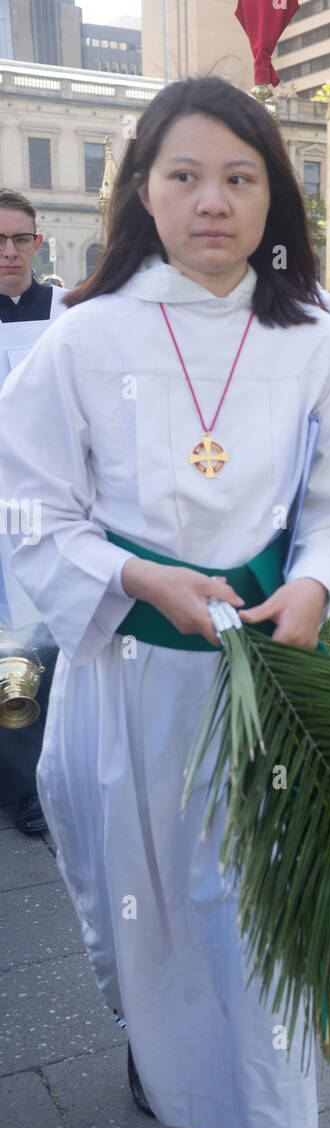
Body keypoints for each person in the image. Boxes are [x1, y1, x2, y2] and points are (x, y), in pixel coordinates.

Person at [0, 76, 330, 1128]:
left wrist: (315, 581)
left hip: (257, 686)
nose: (212, 200)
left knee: (252, 936)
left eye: (240, 176)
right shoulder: (84, 336)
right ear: (141, 190)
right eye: (183, 175)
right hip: (122, 686)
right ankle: (162, 1057)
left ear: (274, 194)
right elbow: (30, 509)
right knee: (140, 916)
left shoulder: (310, 335)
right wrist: (130, 575)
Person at [0, 188, 66, 835]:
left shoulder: (66, 315)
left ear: (37, 244)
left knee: (35, 648)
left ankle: (32, 787)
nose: (9, 251)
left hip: (49, 506)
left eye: (20, 239)